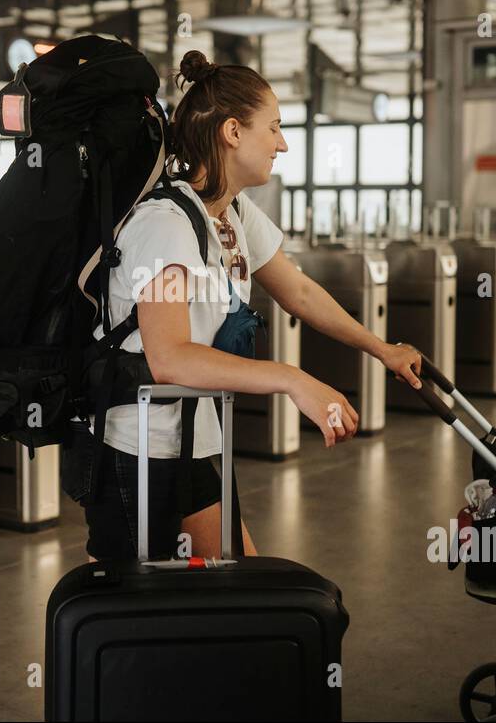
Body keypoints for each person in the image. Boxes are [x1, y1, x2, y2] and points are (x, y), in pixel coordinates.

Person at [80, 49, 423, 563]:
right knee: (145, 623)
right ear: (233, 132)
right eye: (275, 128)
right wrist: (292, 378)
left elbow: (299, 292)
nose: (282, 143)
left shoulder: (232, 213)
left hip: (195, 435)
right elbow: (169, 357)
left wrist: (382, 349)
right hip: (139, 450)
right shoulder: (167, 226)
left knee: (234, 589)